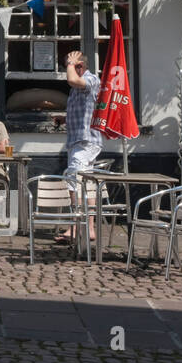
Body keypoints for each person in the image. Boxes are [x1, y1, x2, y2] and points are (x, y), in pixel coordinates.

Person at [59, 49, 102, 244]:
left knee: (73, 178)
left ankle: (77, 226)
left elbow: (72, 80)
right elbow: (84, 111)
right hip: (78, 140)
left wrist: (70, 63)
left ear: (80, 66)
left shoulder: (91, 80)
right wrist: (64, 119)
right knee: (87, 184)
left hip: (86, 141)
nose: (67, 69)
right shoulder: (77, 89)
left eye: (70, 65)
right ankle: (89, 228)